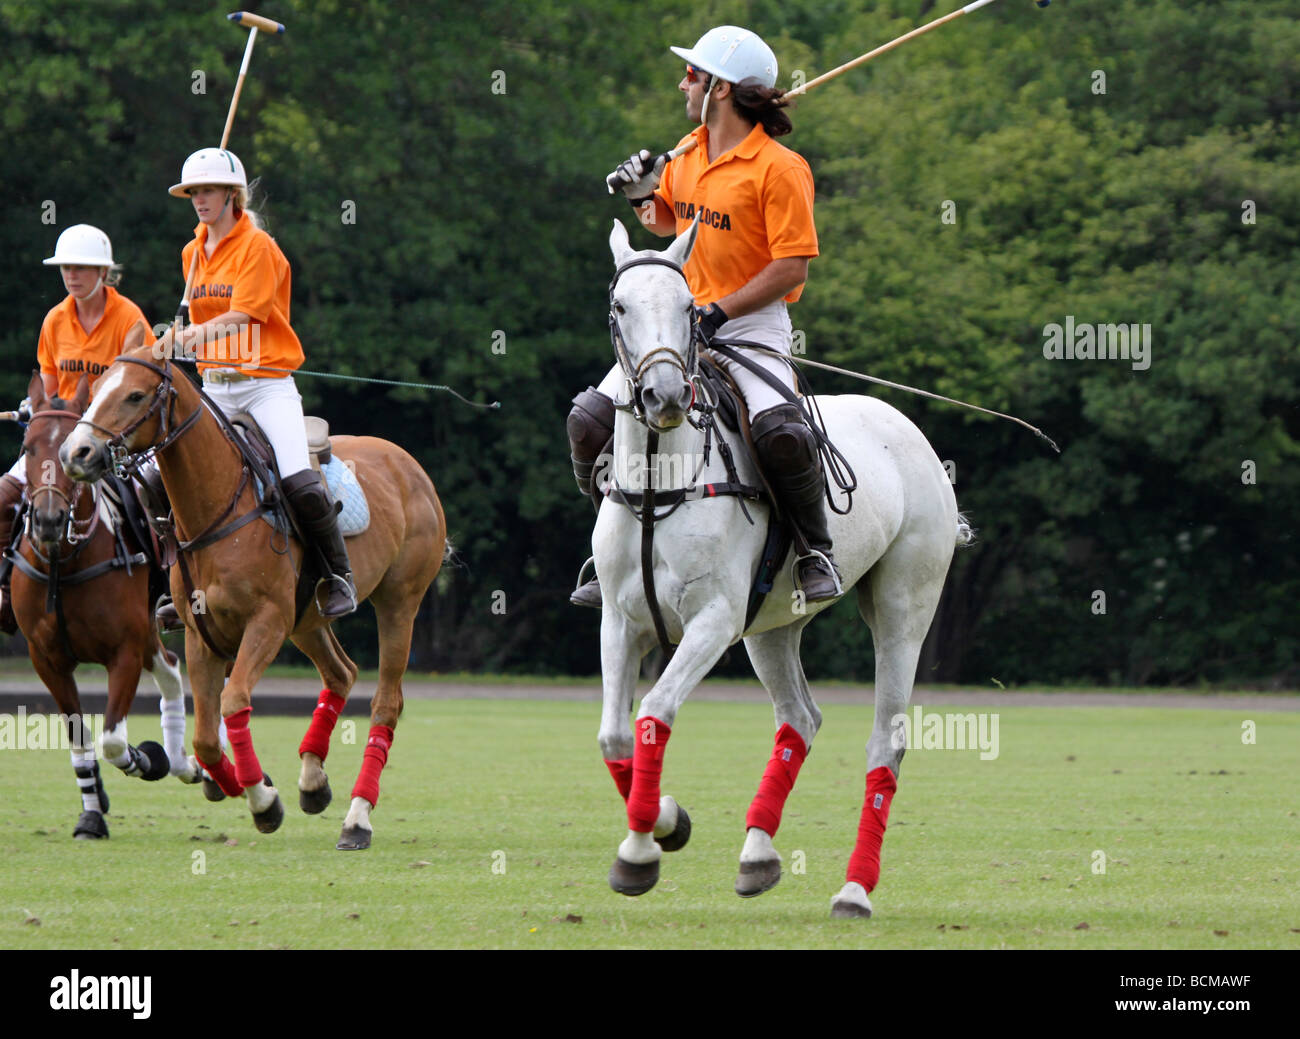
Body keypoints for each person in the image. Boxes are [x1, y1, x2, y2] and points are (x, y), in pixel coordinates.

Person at [569, 24, 838, 608]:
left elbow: (792, 269)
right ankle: (609, 547)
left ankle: (815, 549)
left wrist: (718, 310)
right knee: (589, 422)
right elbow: (664, 224)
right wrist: (643, 191)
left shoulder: (781, 168)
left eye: (692, 74)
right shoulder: (688, 152)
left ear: (719, 88)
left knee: (781, 433)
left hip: (750, 324)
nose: (681, 82)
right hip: (678, 325)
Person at [152, 147, 356, 620]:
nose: (199, 199)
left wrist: (184, 337)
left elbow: (245, 316)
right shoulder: (192, 252)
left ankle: (336, 574)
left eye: (207, 190)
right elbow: (201, 322)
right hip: (215, 388)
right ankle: (181, 585)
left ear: (231, 194)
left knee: (298, 480)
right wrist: (176, 341)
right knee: (156, 479)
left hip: (264, 385)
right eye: (192, 192)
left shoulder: (258, 247)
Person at [0, 225, 156, 634]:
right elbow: (50, 394)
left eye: (83, 268)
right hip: (62, 441)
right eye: (67, 268)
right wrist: (32, 411)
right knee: (2, 496)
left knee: (156, 496)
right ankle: (3, 589)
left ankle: (167, 591)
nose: (73, 276)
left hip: (114, 438)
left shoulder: (129, 319)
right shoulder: (55, 320)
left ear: (103, 273)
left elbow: (143, 383)